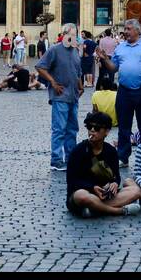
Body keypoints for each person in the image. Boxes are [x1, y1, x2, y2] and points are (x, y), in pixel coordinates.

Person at [96, 19, 141, 166]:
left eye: (129, 29)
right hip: (124, 90)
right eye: (125, 29)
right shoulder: (120, 47)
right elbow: (113, 68)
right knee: (124, 125)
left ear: (138, 30)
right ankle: (123, 156)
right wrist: (104, 59)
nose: (126, 32)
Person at [65, 112, 141, 217]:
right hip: (85, 193)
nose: (92, 130)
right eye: (89, 127)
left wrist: (114, 183)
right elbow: (72, 180)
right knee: (81, 196)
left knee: (135, 190)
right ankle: (119, 211)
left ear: (106, 131)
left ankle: (94, 209)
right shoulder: (79, 151)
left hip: (104, 195)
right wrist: (92, 187)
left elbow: (116, 176)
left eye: (96, 128)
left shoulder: (111, 151)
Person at [37, 24, 87, 172]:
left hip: (73, 96)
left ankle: (70, 158)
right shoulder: (55, 50)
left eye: (76, 34)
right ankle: (56, 159)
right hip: (60, 96)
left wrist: (80, 85)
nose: (75, 37)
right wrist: (52, 82)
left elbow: (77, 71)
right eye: (73, 34)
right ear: (65, 35)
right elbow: (40, 67)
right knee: (59, 129)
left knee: (72, 128)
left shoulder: (75, 51)